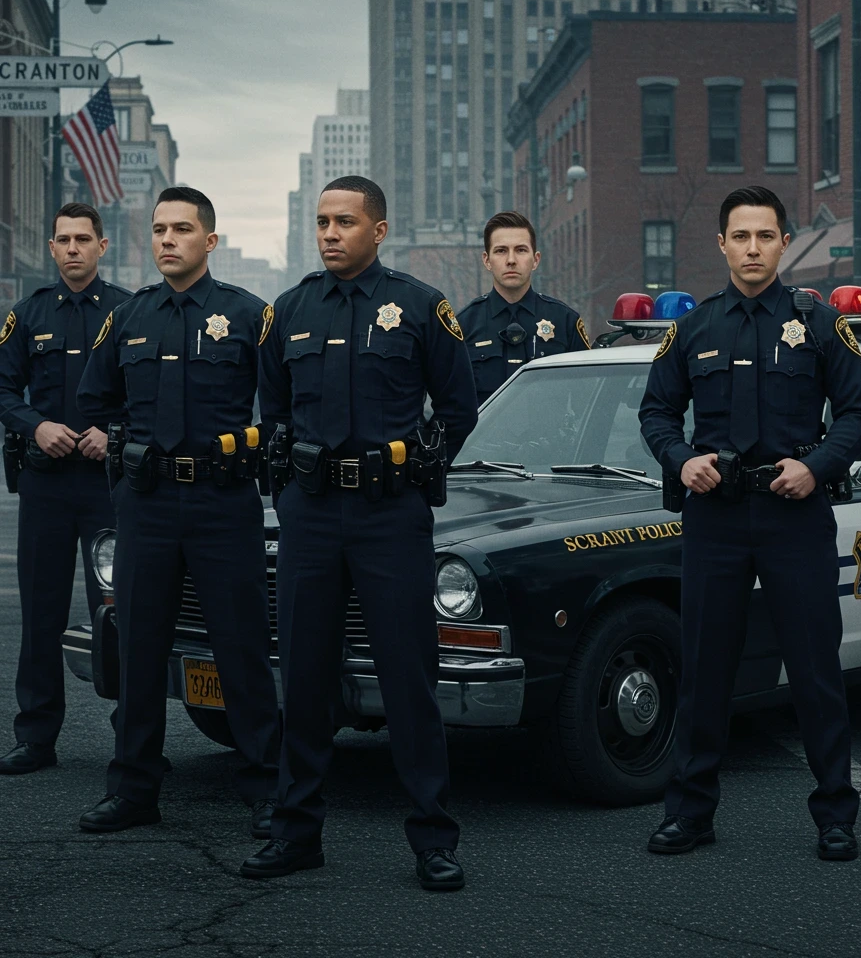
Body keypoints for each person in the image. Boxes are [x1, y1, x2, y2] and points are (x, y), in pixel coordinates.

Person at [242, 176, 477, 889]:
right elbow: (274, 412)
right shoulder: (288, 310)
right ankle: (296, 832)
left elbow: (459, 408)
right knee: (304, 676)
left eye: (344, 221)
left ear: (378, 230)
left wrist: (418, 468)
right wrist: (290, 492)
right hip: (311, 516)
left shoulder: (420, 306)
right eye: (322, 222)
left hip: (390, 516)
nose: (330, 233)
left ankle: (433, 838)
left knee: (409, 680)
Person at [638, 185, 861, 860]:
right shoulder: (693, 329)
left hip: (794, 514)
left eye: (765, 236)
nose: (752, 248)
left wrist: (818, 466)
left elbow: (860, 413)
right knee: (705, 669)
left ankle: (836, 815)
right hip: (715, 516)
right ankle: (690, 813)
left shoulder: (821, 323)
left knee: (814, 670)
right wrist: (681, 460)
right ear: (722, 244)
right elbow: (656, 412)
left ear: (783, 243)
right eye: (740, 237)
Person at [75, 186, 280, 837]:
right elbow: (95, 397)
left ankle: (266, 788)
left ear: (209, 241)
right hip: (148, 503)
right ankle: (133, 788)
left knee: (240, 648)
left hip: (224, 501)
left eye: (182, 229)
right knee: (138, 649)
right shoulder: (129, 316)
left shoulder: (248, 315)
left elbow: (282, 402)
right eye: (160, 229)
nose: (168, 239)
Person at [0, 203, 131, 775]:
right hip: (46, 485)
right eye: (64, 240)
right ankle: (36, 737)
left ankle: (132, 736)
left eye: (83, 239)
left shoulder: (129, 310)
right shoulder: (27, 314)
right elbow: (3, 389)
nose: (73, 248)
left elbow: (149, 389)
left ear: (102, 246)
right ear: (52, 248)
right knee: (41, 610)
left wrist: (115, 430)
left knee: (124, 610)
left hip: (109, 485)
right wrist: (36, 426)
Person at [457, 211, 590, 406]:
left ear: (535, 260)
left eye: (520, 250)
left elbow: (586, 397)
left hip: (548, 426)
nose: (511, 260)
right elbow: (450, 400)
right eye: (501, 251)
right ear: (487, 260)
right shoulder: (464, 326)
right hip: (484, 427)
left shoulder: (565, 322)